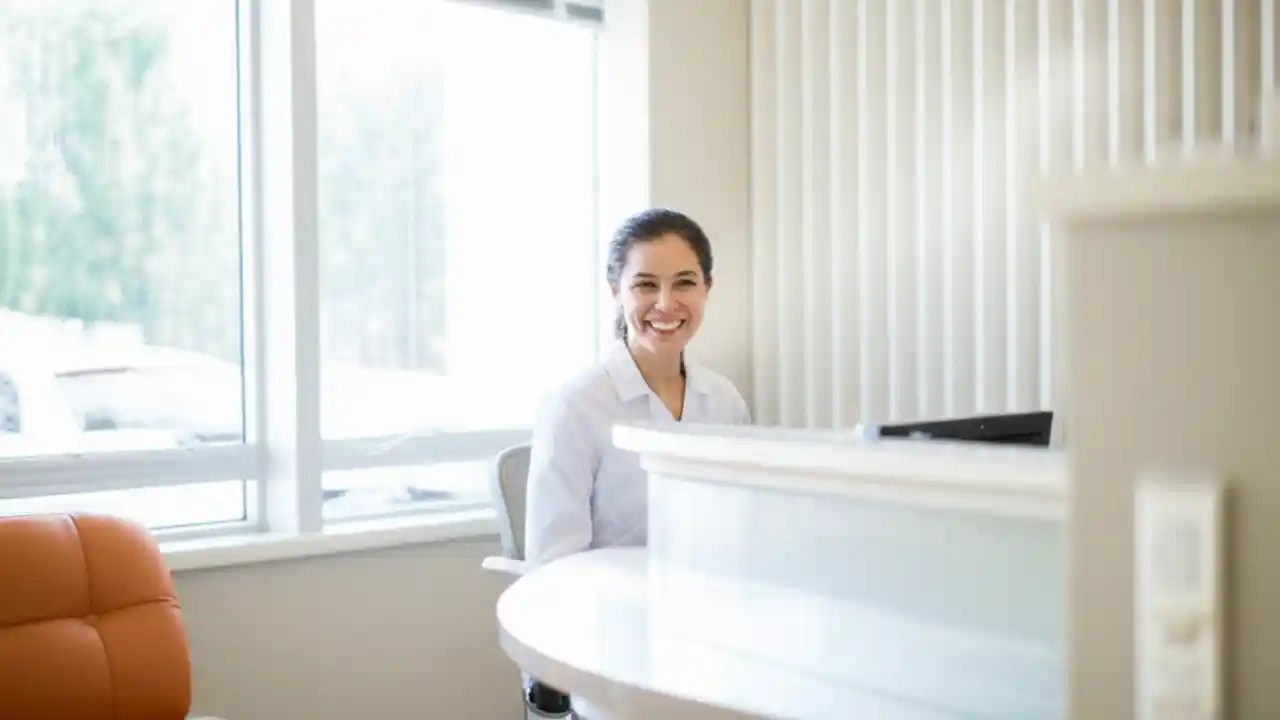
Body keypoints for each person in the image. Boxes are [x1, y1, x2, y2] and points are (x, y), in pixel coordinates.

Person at [524, 208, 751, 568]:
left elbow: (741, 532)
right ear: (616, 291)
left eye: (685, 282)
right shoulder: (575, 405)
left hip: (709, 603)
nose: (664, 303)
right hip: (607, 612)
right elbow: (554, 562)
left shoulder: (725, 403)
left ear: (706, 288)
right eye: (645, 284)